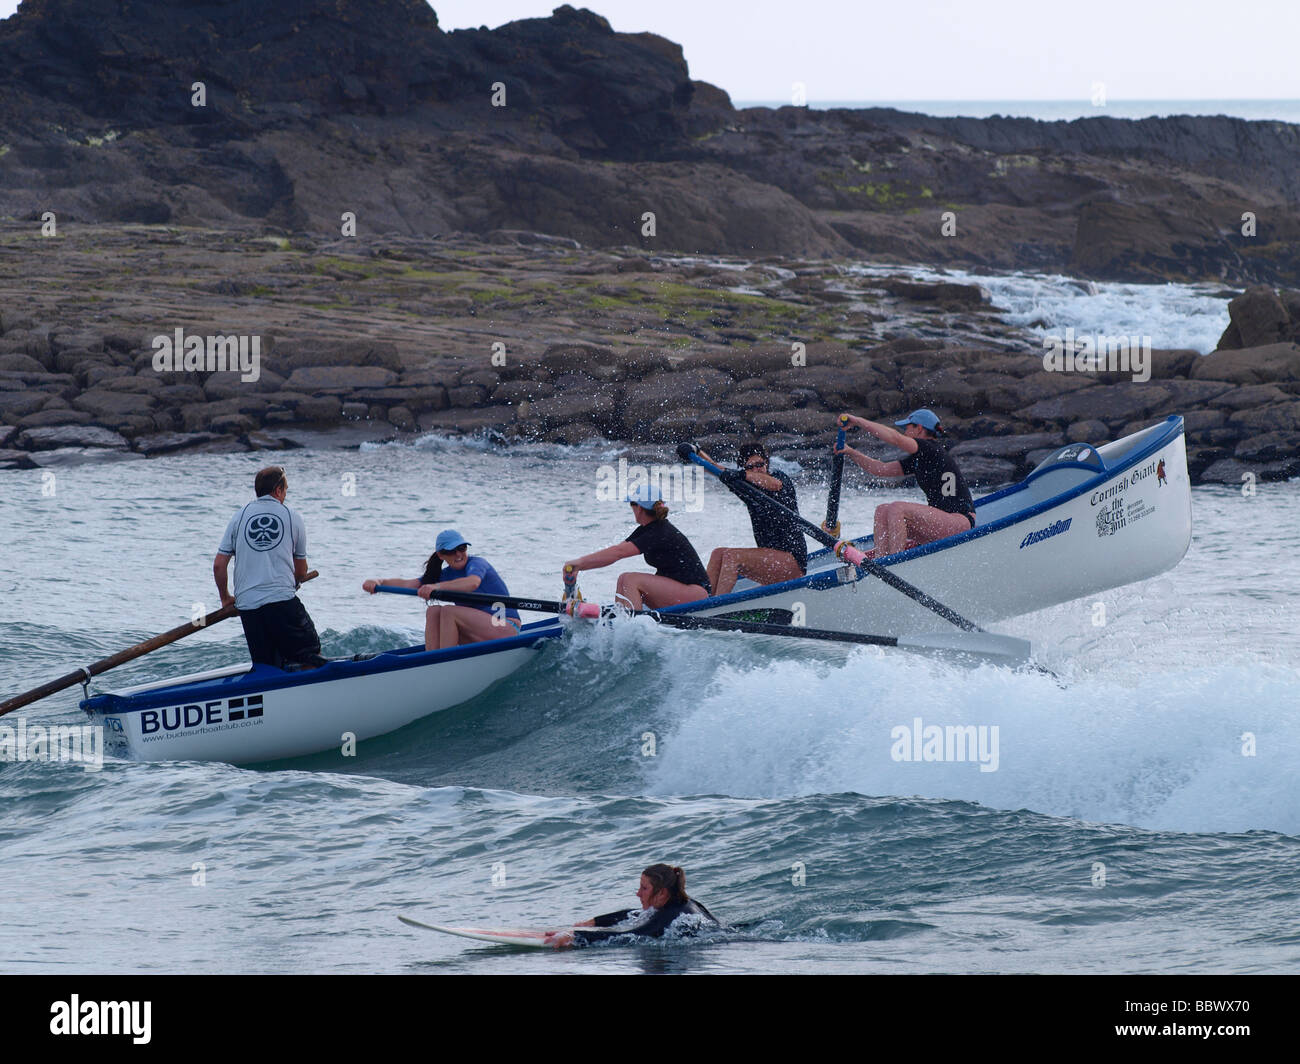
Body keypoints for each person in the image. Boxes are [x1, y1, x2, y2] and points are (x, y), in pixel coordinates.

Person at [214, 465, 325, 670]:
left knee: (267, 667)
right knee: (310, 655)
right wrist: (294, 580)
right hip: (281, 602)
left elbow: (219, 565)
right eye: (286, 490)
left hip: (248, 607)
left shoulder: (238, 516)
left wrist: (225, 598)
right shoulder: (293, 517)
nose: (285, 495)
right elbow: (300, 572)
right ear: (278, 490)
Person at [835, 408, 976, 558]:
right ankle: (882, 563)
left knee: (898, 508)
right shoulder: (919, 459)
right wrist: (850, 452)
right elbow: (879, 469)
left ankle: (897, 563)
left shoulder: (930, 449)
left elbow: (895, 438)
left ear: (919, 429)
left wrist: (857, 421)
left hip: (960, 522)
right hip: (940, 524)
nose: (904, 432)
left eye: (907, 428)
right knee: (882, 510)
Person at [362, 529, 521, 650]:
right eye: (451, 551)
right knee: (434, 611)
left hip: (504, 626)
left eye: (462, 548)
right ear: (440, 555)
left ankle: (445, 659)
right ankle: (431, 658)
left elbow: (472, 583)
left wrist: (436, 586)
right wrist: (378, 582)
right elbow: (407, 584)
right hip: (479, 631)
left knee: (449, 611)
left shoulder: (477, 563)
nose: (458, 554)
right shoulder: (444, 575)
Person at [562, 485, 710, 611]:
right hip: (684, 591)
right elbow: (615, 551)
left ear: (638, 507)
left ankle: (630, 627)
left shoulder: (659, 532)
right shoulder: (648, 529)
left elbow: (617, 553)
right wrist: (578, 567)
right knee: (623, 582)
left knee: (628, 579)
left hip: (696, 594)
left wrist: (578, 563)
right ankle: (622, 622)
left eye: (631, 504)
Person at [705, 442, 808, 596]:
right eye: (750, 467)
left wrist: (742, 474)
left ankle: (716, 608)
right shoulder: (748, 489)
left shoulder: (779, 478)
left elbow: (774, 485)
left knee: (732, 556)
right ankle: (704, 602)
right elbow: (716, 468)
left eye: (759, 465)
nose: (756, 470)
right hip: (769, 563)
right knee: (718, 553)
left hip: (793, 563)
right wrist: (695, 452)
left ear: (767, 463)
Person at [544, 864, 720, 948]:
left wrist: (575, 937)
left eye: (644, 888)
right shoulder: (680, 902)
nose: (638, 893)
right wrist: (592, 922)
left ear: (662, 893)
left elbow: (630, 936)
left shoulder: (668, 916)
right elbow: (633, 914)